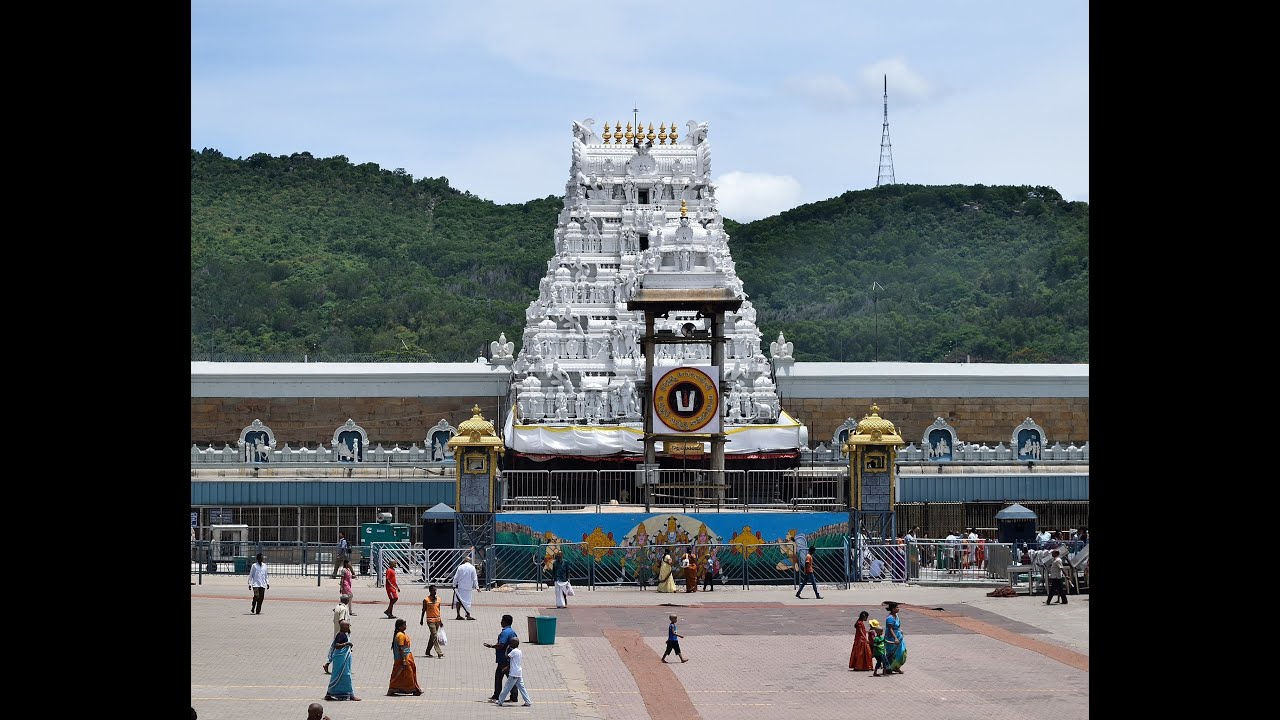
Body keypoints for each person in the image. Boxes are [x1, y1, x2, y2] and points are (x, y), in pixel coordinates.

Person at [484, 614, 520, 703]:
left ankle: (499, 695)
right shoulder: (512, 632)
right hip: (508, 659)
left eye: (502, 620)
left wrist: (491, 646)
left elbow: (501, 645)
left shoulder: (505, 632)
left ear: (505, 622)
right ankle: (511, 696)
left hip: (503, 659)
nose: (500, 622)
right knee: (508, 677)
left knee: (501, 677)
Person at [325, 620, 361, 701]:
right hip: (340, 660)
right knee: (345, 676)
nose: (349, 627)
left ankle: (332, 693)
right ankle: (350, 694)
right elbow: (337, 646)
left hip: (344, 660)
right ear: (343, 627)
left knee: (342, 677)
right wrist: (346, 644)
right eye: (347, 626)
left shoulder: (345, 634)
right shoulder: (340, 635)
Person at [386, 618, 423, 696]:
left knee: (407, 673)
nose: (405, 626)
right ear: (400, 627)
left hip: (407, 656)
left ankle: (410, 688)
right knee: (407, 674)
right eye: (404, 625)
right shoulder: (400, 635)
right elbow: (401, 648)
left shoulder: (402, 634)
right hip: (403, 658)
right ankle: (411, 689)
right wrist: (404, 660)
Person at [495, 637, 533, 707]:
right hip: (518, 672)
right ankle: (528, 701)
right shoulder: (519, 651)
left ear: (514, 644)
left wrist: (507, 648)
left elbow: (506, 657)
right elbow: (513, 662)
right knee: (522, 687)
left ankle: (500, 701)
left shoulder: (513, 651)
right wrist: (507, 667)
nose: (510, 644)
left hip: (514, 673)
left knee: (507, 687)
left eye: (511, 643)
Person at [324, 595, 352, 674]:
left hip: (336, 631)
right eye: (348, 600)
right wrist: (347, 630)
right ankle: (335, 665)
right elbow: (341, 620)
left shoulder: (337, 607)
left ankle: (328, 663)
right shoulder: (343, 609)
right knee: (342, 648)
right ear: (346, 601)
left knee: (333, 648)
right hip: (342, 632)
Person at [419, 584, 445, 658]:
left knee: (432, 636)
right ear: (430, 591)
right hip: (430, 620)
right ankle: (439, 652)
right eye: (433, 590)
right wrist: (421, 620)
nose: (435, 592)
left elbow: (438, 611)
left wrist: (440, 621)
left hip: (437, 620)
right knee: (434, 636)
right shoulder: (426, 600)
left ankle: (427, 651)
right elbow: (423, 610)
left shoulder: (438, 599)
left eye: (435, 590)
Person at [451, 555, 478, 620]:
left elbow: (456, 577)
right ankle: (468, 615)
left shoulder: (460, 567)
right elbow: (474, 578)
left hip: (461, 587)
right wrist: (477, 587)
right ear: (470, 561)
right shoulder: (472, 568)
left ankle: (458, 614)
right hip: (468, 587)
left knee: (459, 600)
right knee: (468, 601)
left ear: (464, 561)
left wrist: (454, 585)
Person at [883, 601, 906, 674]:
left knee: (901, 652)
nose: (898, 609)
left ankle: (897, 667)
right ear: (893, 609)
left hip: (899, 636)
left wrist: (900, 631)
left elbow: (897, 626)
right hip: (891, 638)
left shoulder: (897, 616)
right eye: (897, 607)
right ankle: (888, 668)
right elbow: (890, 629)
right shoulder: (890, 618)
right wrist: (895, 638)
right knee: (891, 653)